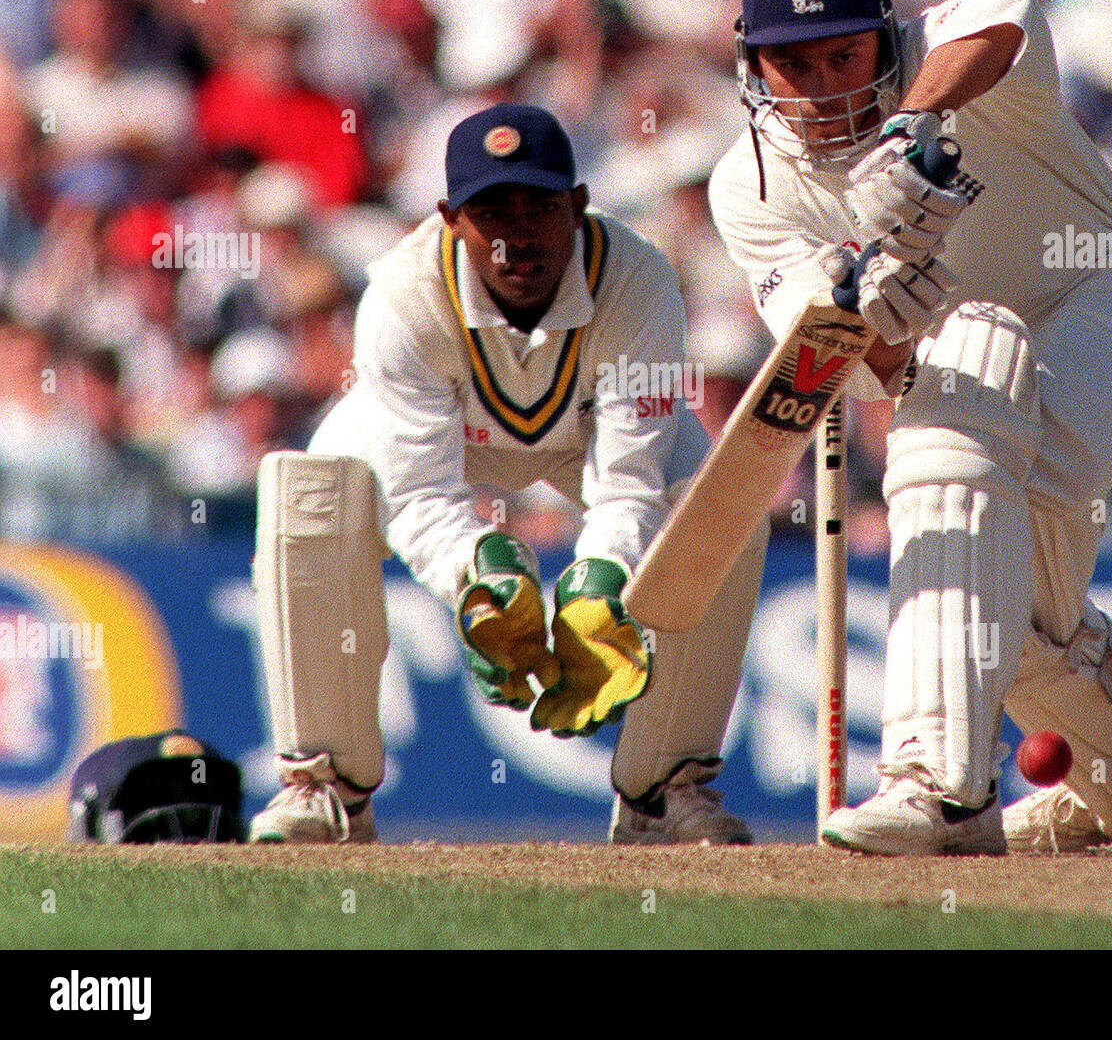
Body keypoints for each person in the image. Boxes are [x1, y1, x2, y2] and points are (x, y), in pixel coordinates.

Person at [709, 0, 1112, 854]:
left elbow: (1008, 15)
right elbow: (862, 370)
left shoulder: (947, 50)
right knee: (979, 511)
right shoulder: (749, 190)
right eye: (795, 65)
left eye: (844, 56)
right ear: (752, 64)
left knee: (972, 416)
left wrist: (913, 126)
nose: (824, 87)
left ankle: (940, 787)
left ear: (886, 40)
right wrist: (881, 315)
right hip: (972, 390)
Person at [248, 103, 763, 845]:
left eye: (541, 208)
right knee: (311, 494)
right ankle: (324, 784)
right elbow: (421, 490)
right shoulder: (403, 294)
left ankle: (666, 789)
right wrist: (478, 572)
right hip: (453, 431)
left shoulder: (640, 282)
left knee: (719, 513)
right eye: (493, 211)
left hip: (587, 433)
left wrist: (600, 582)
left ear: (578, 207)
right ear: (451, 217)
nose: (519, 234)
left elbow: (630, 480)